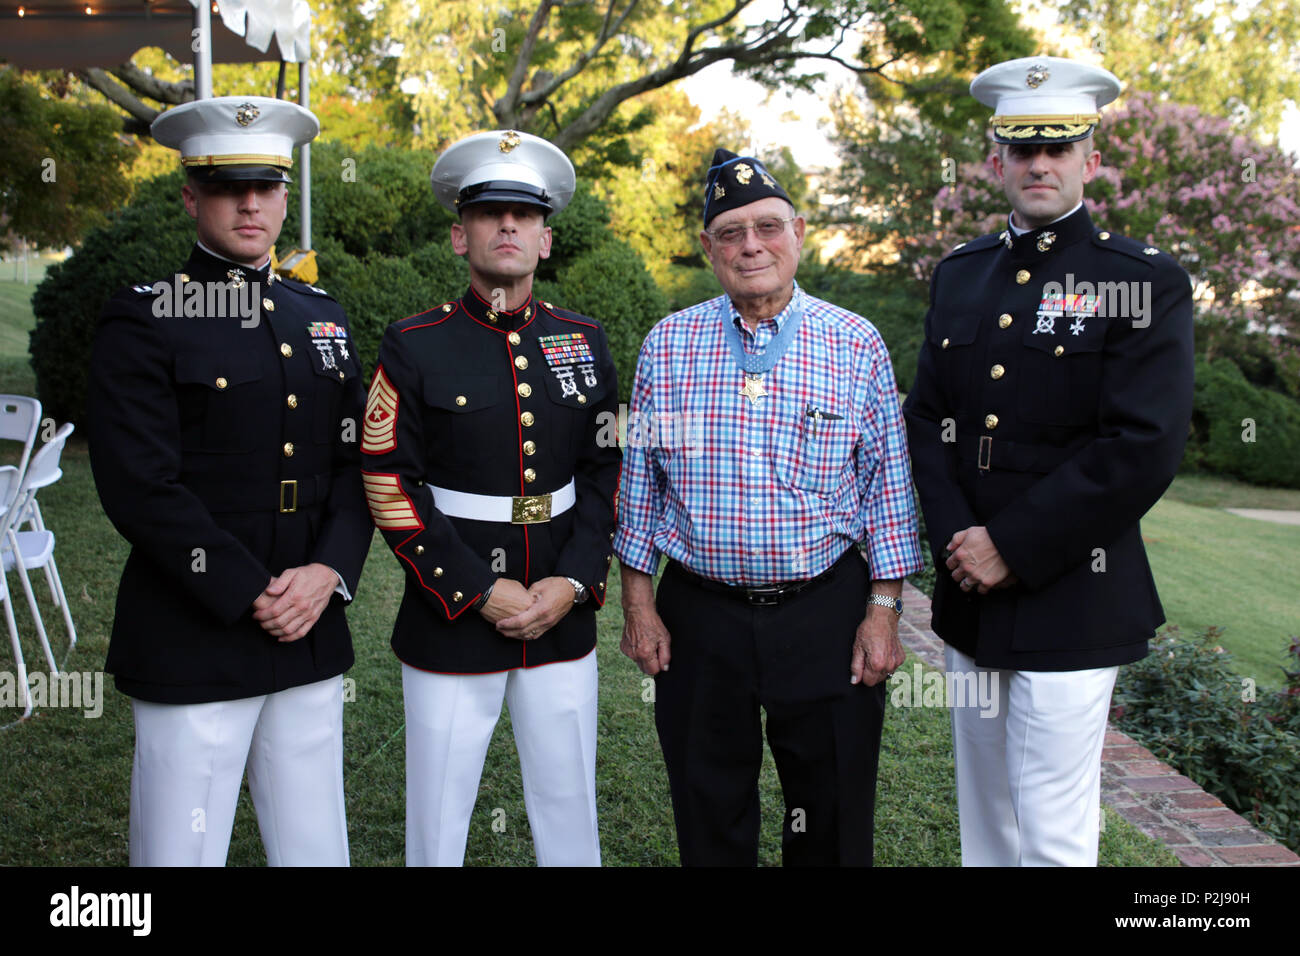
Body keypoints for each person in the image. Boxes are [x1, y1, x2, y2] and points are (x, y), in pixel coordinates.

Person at [903, 56, 1195, 866]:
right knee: (988, 823)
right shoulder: (961, 275)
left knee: (1053, 834)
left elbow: (1143, 445)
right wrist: (963, 538)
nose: (1039, 164)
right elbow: (927, 420)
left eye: (1058, 148)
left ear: (1089, 161)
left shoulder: (1139, 281)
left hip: (1077, 594)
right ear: (995, 161)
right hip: (972, 591)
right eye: (1021, 149)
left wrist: (1013, 545)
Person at [615, 148, 924, 866]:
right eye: (730, 232)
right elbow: (640, 488)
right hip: (700, 614)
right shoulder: (669, 344)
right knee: (708, 803)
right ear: (707, 249)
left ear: (799, 232)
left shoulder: (856, 345)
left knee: (831, 811)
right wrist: (639, 604)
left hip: (825, 609)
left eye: (767, 227)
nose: (750, 245)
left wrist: (883, 611)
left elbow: (888, 491)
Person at [87, 96, 373, 866]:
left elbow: (357, 463)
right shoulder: (146, 317)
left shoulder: (322, 314)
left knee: (315, 846)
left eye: (267, 185)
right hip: (196, 625)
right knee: (182, 848)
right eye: (225, 186)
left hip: (310, 624)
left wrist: (329, 574)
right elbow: (139, 485)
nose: (249, 202)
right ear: (189, 196)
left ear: (284, 194)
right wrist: (250, 590)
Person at [361, 130, 620, 867]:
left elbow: (607, 471)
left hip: (561, 610)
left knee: (570, 804)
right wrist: (478, 589)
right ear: (458, 234)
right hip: (452, 610)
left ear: (544, 241)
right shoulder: (415, 342)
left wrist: (573, 582)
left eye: (523, 215)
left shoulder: (585, 339)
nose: (507, 225)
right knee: (440, 814)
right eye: (489, 212)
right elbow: (388, 479)